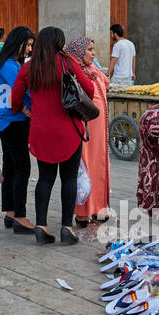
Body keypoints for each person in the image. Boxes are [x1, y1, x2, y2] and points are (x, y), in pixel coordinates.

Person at [10, 27, 95, 244]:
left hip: (41, 131)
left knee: (45, 178)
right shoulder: (68, 63)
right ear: (59, 43)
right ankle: (67, 227)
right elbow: (89, 90)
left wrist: (23, 109)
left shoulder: (29, 67)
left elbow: (15, 100)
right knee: (68, 178)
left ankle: (41, 225)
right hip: (69, 129)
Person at [0, 26, 35, 234]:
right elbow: (24, 89)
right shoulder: (11, 66)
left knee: (10, 166)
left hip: (5, 120)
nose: (28, 50)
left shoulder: (5, 63)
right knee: (22, 167)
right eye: (27, 45)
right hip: (13, 120)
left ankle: (10, 212)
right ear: (19, 44)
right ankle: (20, 215)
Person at [67, 36, 111, 226]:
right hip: (85, 127)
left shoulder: (95, 71)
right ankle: (83, 212)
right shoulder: (73, 72)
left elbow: (106, 85)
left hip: (100, 129)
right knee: (85, 167)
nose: (93, 54)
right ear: (79, 52)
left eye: (94, 50)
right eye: (90, 50)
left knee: (99, 166)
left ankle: (99, 208)